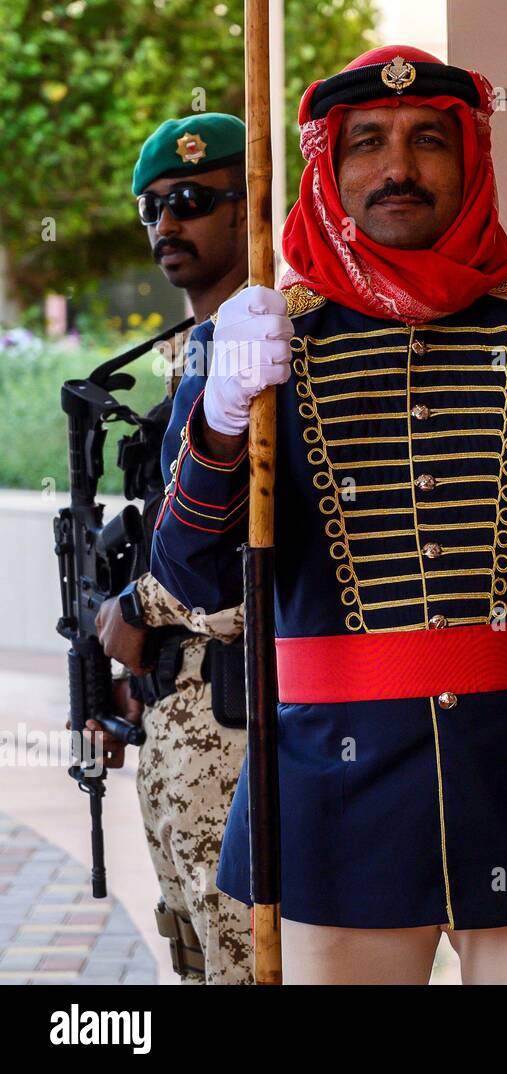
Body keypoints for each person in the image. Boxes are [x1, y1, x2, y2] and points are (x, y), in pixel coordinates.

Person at [151, 46, 507, 984]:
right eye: (368, 144)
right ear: (328, 163)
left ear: (471, 160)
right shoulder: (250, 337)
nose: (397, 168)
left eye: (428, 141)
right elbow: (191, 574)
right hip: (328, 816)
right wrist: (223, 420)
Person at [91, 113, 253, 983]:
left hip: (242, 730)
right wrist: (127, 673)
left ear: (249, 206)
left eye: (190, 200)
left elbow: (259, 554)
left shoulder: (268, 342)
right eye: (150, 208)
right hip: (178, 722)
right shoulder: (191, 352)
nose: (166, 225)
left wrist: (134, 607)